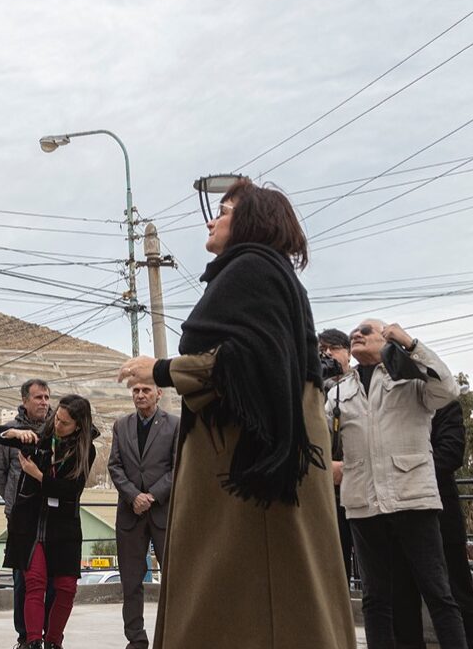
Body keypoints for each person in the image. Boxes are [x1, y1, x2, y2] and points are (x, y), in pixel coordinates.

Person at [117, 178, 354, 649]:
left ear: (249, 221)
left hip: (248, 472)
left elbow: (249, 362)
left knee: (247, 594)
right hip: (253, 461)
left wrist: (161, 369)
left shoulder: (253, 269)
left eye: (223, 211)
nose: (211, 218)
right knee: (271, 587)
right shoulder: (266, 272)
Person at [332, 319, 466, 649]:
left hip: (412, 499)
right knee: (375, 599)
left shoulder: (409, 376)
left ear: (387, 339)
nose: (356, 335)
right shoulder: (339, 389)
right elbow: (318, 434)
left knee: (438, 594)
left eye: (366, 330)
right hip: (363, 503)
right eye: (353, 333)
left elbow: (448, 390)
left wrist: (411, 343)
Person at [0, 395, 97, 649]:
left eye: (65, 422)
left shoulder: (84, 449)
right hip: (31, 523)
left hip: (64, 528)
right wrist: (13, 432)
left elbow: (71, 490)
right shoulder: (39, 438)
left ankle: (54, 641)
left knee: (66, 587)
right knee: (34, 583)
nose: (57, 424)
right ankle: (32, 641)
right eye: (57, 417)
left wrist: (37, 475)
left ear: (78, 426)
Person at [390, 400, 473, 649]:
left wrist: (404, 472)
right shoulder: (390, 407)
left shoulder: (444, 403)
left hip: (442, 514)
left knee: (456, 595)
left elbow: (452, 452)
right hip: (398, 514)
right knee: (402, 601)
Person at [107, 382, 177, 649]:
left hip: (162, 512)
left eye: (146, 390)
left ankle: (170, 635)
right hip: (130, 514)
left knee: (172, 579)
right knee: (131, 581)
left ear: (159, 393)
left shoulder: (174, 425)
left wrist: (151, 496)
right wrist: (133, 496)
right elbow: (115, 465)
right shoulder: (121, 425)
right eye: (135, 391)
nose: (140, 395)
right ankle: (136, 639)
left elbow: (177, 465)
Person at [0, 379, 51, 649]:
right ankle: (25, 637)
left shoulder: (58, 428)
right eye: (38, 397)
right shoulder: (9, 432)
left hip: (52, 514)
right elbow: (0, 474)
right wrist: (14, 503)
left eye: (47, 397)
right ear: (25, 401)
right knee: (22, 580)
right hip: (19, 516)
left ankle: (48, 633)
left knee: (50, 578)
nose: (44, 402)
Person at [319, 326, 356, 583]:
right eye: (323, 350)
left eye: (334, 348)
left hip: (361, 484)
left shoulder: (362, 381)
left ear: (349, 353)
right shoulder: (314, 389)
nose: (329, 354)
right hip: (327, 488)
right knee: (334, 564)